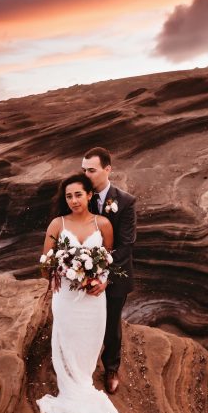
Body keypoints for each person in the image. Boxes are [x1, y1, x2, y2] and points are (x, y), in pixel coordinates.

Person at [36, 173, 120, 413]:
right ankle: (70, 385)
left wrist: (101, 280)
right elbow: (44, 264)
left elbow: (109, 261)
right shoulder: (57, 224)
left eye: (78, 195)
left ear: (89, 195)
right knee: (67, 336)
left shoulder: (103, 224)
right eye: (69, 196)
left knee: (90, 338)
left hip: (93, 296)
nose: (73, 200)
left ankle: (84, 377)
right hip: (66, 296)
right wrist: (54, 274)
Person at [81, 147, 136, 394]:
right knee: (85, 319)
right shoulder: (81, 197)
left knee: (111, 323)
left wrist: (105, 276)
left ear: (107, 169)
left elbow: (126, 246)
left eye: (91, 170)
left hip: (117, 274)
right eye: (84, 170)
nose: (86, 174)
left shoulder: (125, 202)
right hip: (84, 272)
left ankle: (111, 368)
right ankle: (83, 364)